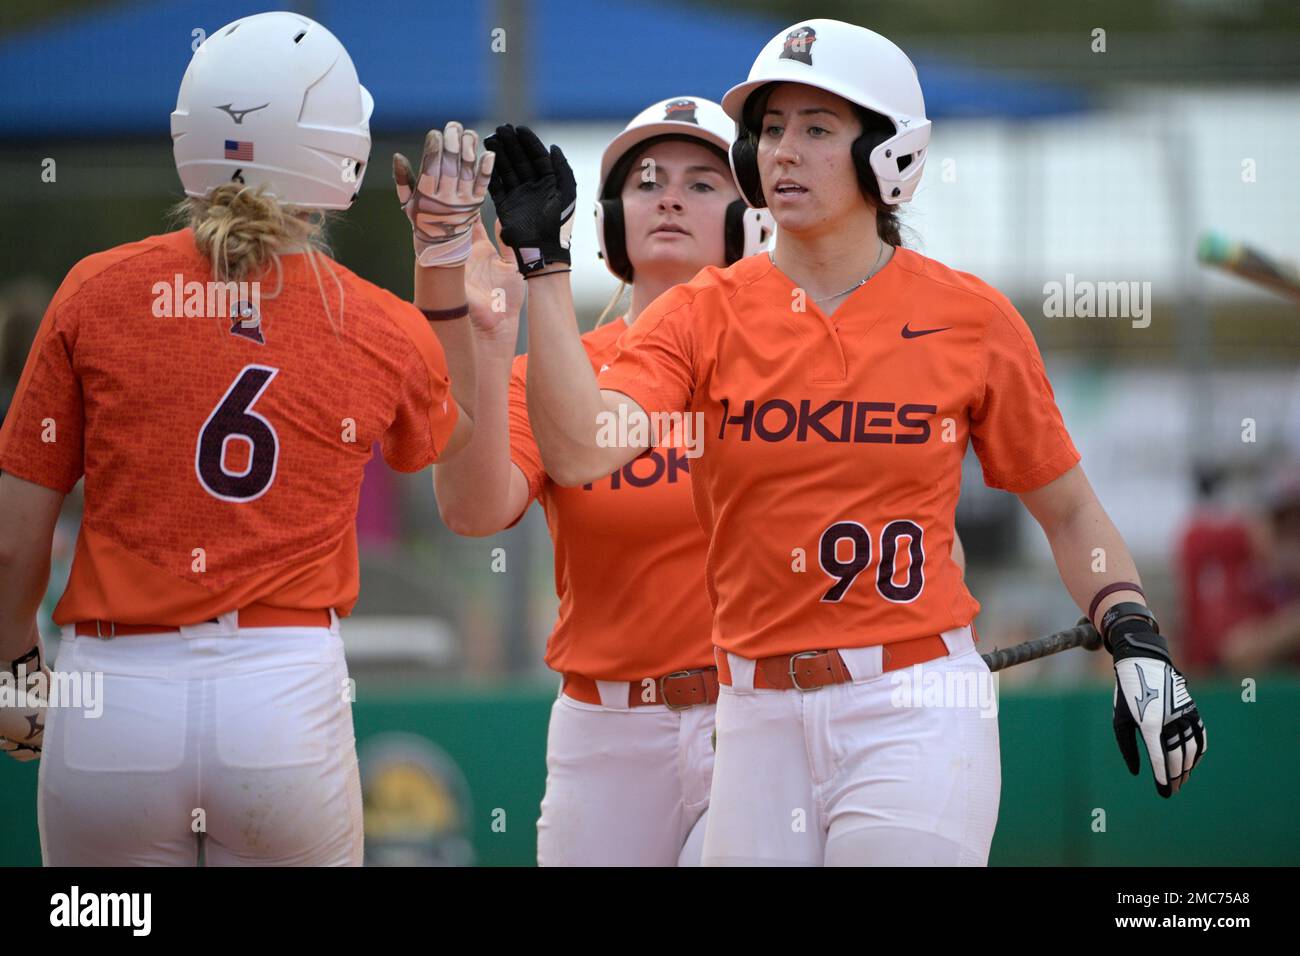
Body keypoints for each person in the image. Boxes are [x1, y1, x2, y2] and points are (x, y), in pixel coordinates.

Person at [487, 19, 1208, 866]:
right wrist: (542, 268)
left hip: (915, 701)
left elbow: (1070, 510)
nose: (784, 152)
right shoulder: (702, 311)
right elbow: (578, 452)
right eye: (774, 130)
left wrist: (1132, 630)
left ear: (890, 155)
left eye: (818, 129)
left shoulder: (969, 317)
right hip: (752, 715)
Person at [0, 11, 491, 866]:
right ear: (339, 149)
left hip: (113, 693)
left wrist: (14, 669)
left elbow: (13, 542)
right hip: (281, 686)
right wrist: (441, 255)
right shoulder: (376, 324)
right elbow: (454, 441)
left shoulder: (95, 290)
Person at [436, 97, 772, 865]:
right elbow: (472, 510)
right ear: (609, 223)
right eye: (647, 181)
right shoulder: (561, 372)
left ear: (751, 219)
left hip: (758, 717)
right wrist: (489, 342)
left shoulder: (794, 365)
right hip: (607, 727)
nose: (670, 197)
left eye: (702, 182)